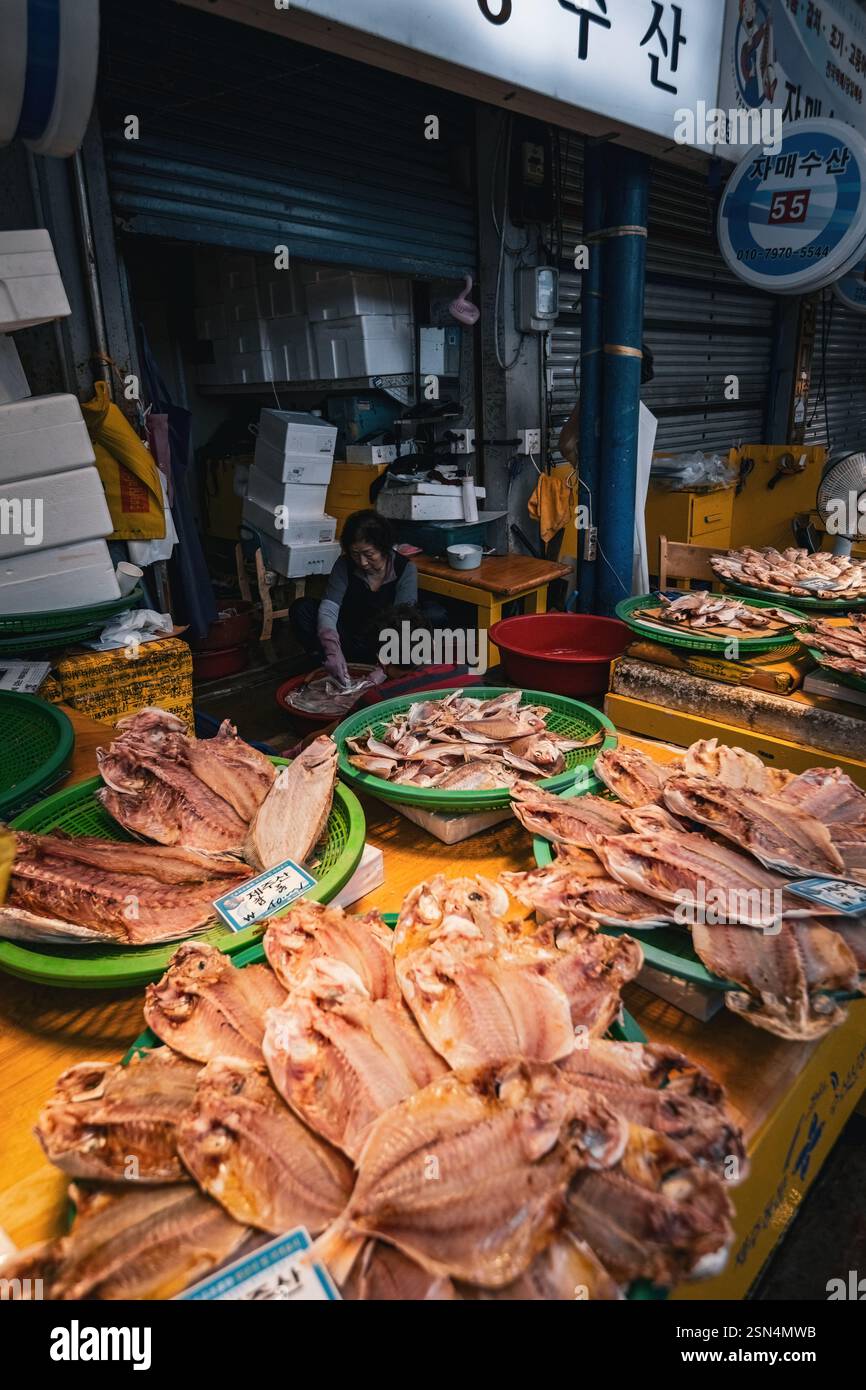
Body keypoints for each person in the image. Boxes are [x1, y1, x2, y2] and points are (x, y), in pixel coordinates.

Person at [290, 510, 419, 685]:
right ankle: (332, 664)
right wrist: (332, 651)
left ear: (383, 547)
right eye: (355, 554)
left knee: (422, 619)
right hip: (348, 638)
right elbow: (329, 609)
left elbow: (404, 622)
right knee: (303, 608)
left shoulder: (405, 569)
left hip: (381, 645)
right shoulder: (345, 564)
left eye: (369, 554)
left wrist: (384, 667)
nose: (363, 562)